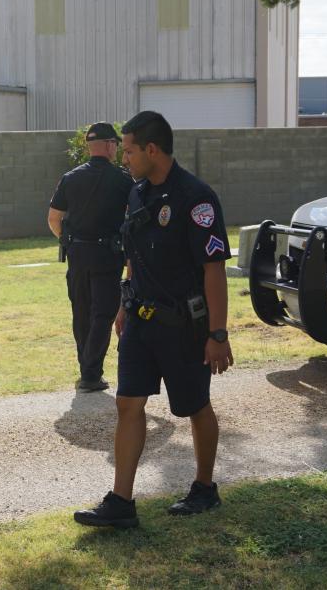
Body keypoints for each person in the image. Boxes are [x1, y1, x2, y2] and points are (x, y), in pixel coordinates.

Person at [73, 110, 233, 528]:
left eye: (127, 151)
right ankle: (121, 501)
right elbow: (134, 255)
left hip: (183, 325)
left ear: (152, 149)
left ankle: (204, 488)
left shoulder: (195, 198)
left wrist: (218, 333)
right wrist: (126, 305)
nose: (123, 158)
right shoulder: (137, 192)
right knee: (128, 403)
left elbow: (213, 269)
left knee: (195, 407)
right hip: (140, 321)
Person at [47, 122, 134, 393]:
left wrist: (69, 240)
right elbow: (133, 218)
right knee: (103, 312)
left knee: (81, 311)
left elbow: (53, 219)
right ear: (110, 145)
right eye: (116, 146)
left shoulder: (70, 178)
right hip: (107, 255)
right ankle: (90, 373)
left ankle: (86, 368)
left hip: (77, 254)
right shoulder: (123, 180)